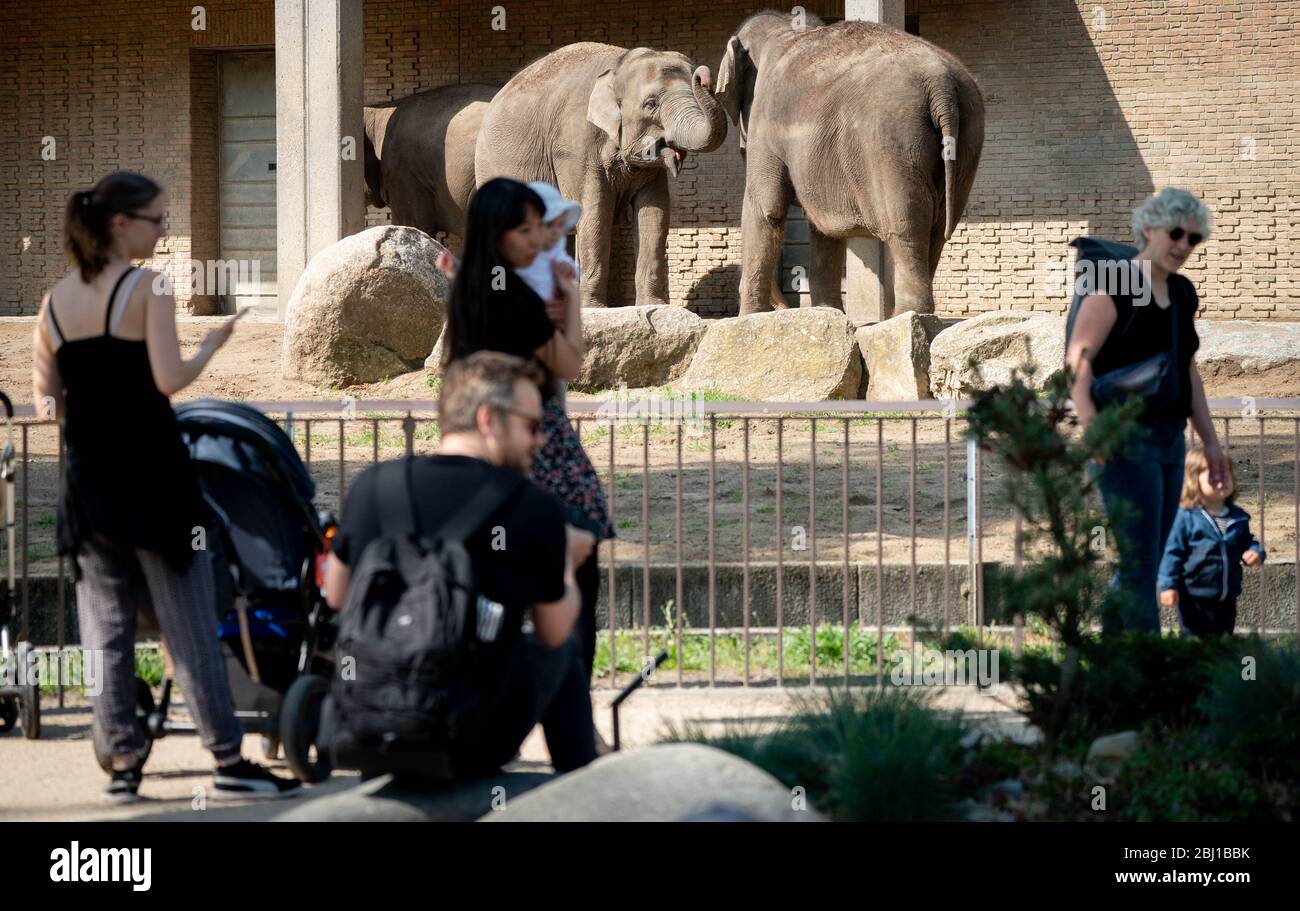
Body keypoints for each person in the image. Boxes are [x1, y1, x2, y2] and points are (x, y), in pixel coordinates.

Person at [33, 171, 300, 803]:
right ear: (120, 224)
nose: (163, 231)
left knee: (105, 629)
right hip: (154, 481)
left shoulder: (53, 304)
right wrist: (211, 346)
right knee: (188, 625)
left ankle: (122, 764)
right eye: (156, 220)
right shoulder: (145, 287)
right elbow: (166, 380)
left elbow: (50, 406)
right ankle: (229, 761)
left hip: (90, 487)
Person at [324, 351, 597, 775]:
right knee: (562, 653)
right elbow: (554, 629)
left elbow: (336, 595)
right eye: (533, 425)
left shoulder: (374, 485)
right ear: (490, 419)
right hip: (467, 734)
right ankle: (580, 785)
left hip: (369, 720)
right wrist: (563, 555)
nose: (541, 440)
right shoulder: (531, 507)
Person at [439, 177, 614, 684]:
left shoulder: (469, 285)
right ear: (497, 233)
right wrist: (574, 300)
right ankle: (573, 704)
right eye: (525, 230)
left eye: (540, 226)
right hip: (530, 435)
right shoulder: (513, 294)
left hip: (476, 442)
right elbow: (571, 361)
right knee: (576, 551)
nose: (537, 240)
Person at [1066, 187, 1227, 633]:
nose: (1182, 246)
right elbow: (1077, 363)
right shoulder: (1115, 281)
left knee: (1148, 561)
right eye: (1175, 233)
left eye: (1193, 239)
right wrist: (1093, 430)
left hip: (1170, 440)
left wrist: (1210, 442)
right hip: (1122, 442)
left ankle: (1115, 661)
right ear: (1148, 229)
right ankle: (1143, 672)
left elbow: (1187, 371)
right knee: (1139, 565)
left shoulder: (1182, 293)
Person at [1158, 447, 1265, 637]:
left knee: (1223, 642)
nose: (1221, 477)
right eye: (1213, 473)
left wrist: (1255, 552)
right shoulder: (1186, 518)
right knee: (1194, 643)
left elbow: (1247, 542)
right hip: (1194, 598)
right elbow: (1172, 553)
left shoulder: (1237, 517)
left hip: (1227, 597)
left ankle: (1220, 666)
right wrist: (1167, 585)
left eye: (1226, 472)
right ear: (1193, 480)